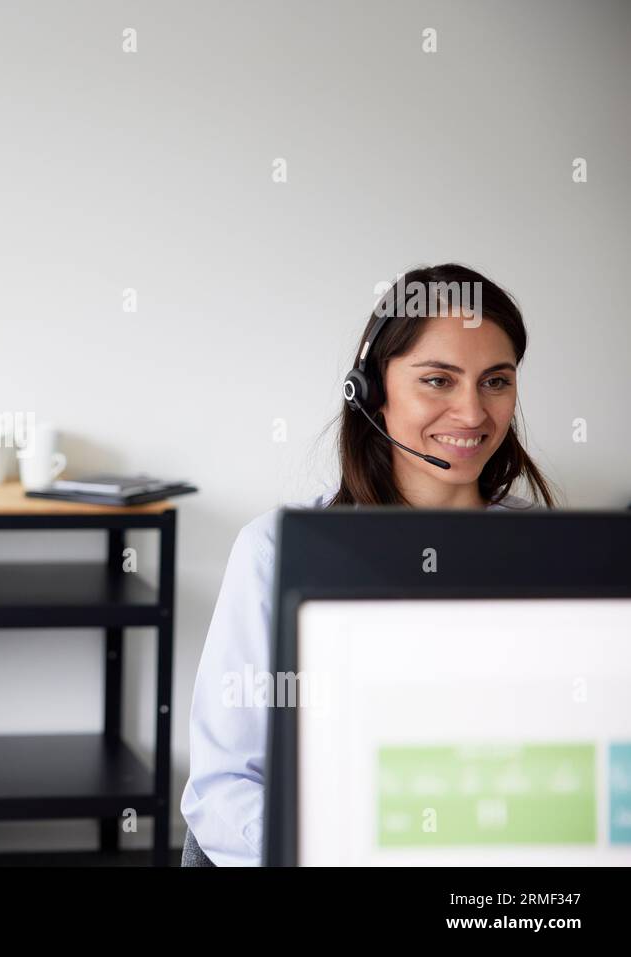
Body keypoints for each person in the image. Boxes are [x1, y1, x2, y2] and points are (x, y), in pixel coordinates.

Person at [180, 263, 558, 866]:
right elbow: (226, 788)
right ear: (372, 391)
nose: (472, 413)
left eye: (495, 381)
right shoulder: (276, 552)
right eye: (438, 380)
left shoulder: (551, 554)